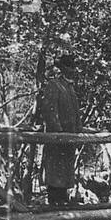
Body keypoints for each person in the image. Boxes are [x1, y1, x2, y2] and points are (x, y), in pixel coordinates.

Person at [38, 52, 81, 208]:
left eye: (73, 68)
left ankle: (63, 211)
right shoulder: (54, 85)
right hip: (58, 142)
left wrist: (78, 135)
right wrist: (60, 134)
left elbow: (76, 115)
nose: (72, 71)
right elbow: (50, 113)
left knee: (65, 176)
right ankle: (54, 212)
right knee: (55, 176)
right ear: (62, 69)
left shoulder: (70, 88)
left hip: (69, 141)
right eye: (69, 68)